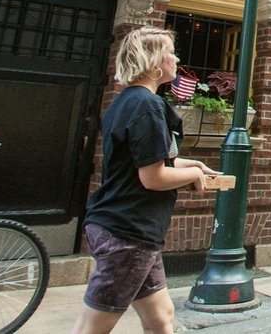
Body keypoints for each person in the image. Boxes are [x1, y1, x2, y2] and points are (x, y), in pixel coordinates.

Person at [72, 26, 219, 334]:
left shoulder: (126, 101)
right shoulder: (148, 105)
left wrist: (192, 163)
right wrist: (191, 175)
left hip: (128, 229)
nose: (176, 58)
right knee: (92, 327)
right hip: (128, 232)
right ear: (153, 62)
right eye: (170, 52)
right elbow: (152, 177)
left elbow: (143, 161)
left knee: (162, 317)